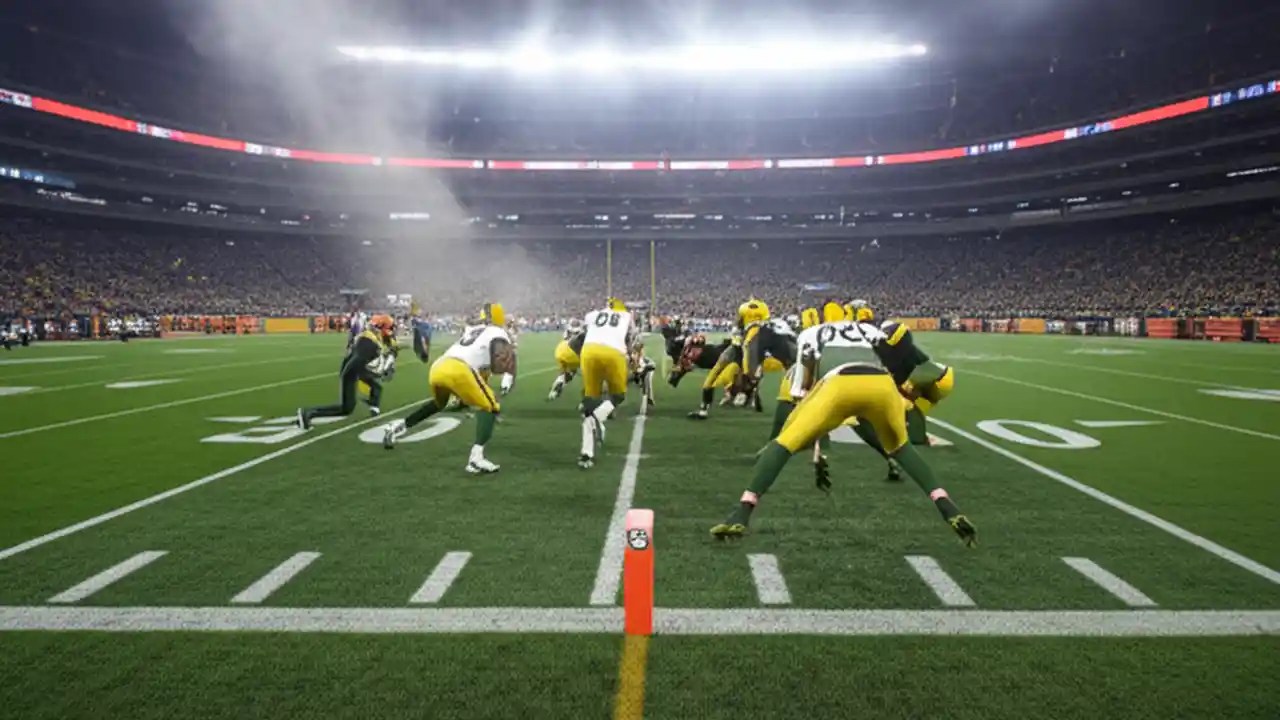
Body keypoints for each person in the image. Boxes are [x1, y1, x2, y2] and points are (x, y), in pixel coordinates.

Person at [710, 313, 975, 547]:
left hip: (837, 384)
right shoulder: (869, 331)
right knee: (902, 449)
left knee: (783, 443)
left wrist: (815, 443)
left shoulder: (812, 334)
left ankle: (742, 511)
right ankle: (947, 506)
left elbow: (802, 390)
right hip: (880, 385)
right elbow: (897, 364)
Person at [381, 303, 515, 474]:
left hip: (439, 367)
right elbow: (498, 364)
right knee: (491, 406)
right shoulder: (498, 333)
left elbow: (480, 371)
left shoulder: (474, 329)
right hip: (459, 369)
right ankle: (476, 459)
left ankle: (397, 428)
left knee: (439, 403)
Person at [297, 314, 396, 428]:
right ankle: (308, 412)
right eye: (389, 328)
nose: (390, 331)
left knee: (366, 394)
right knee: (347, 408)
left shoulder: (369, 337)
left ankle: (309, 413)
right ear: (381, 326)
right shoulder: (370, 341)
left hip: (354, 369)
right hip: (352, 372)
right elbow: (361, 361)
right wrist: (378, 371)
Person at [578, 298, 637, 469]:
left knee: (590, 399)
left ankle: (586, 455)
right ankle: (598, 418)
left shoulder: (593, 314)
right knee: (618, 395)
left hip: (588, 351)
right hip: (613, 352)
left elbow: (586, 331)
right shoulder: (626, 315)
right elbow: (631, 339)